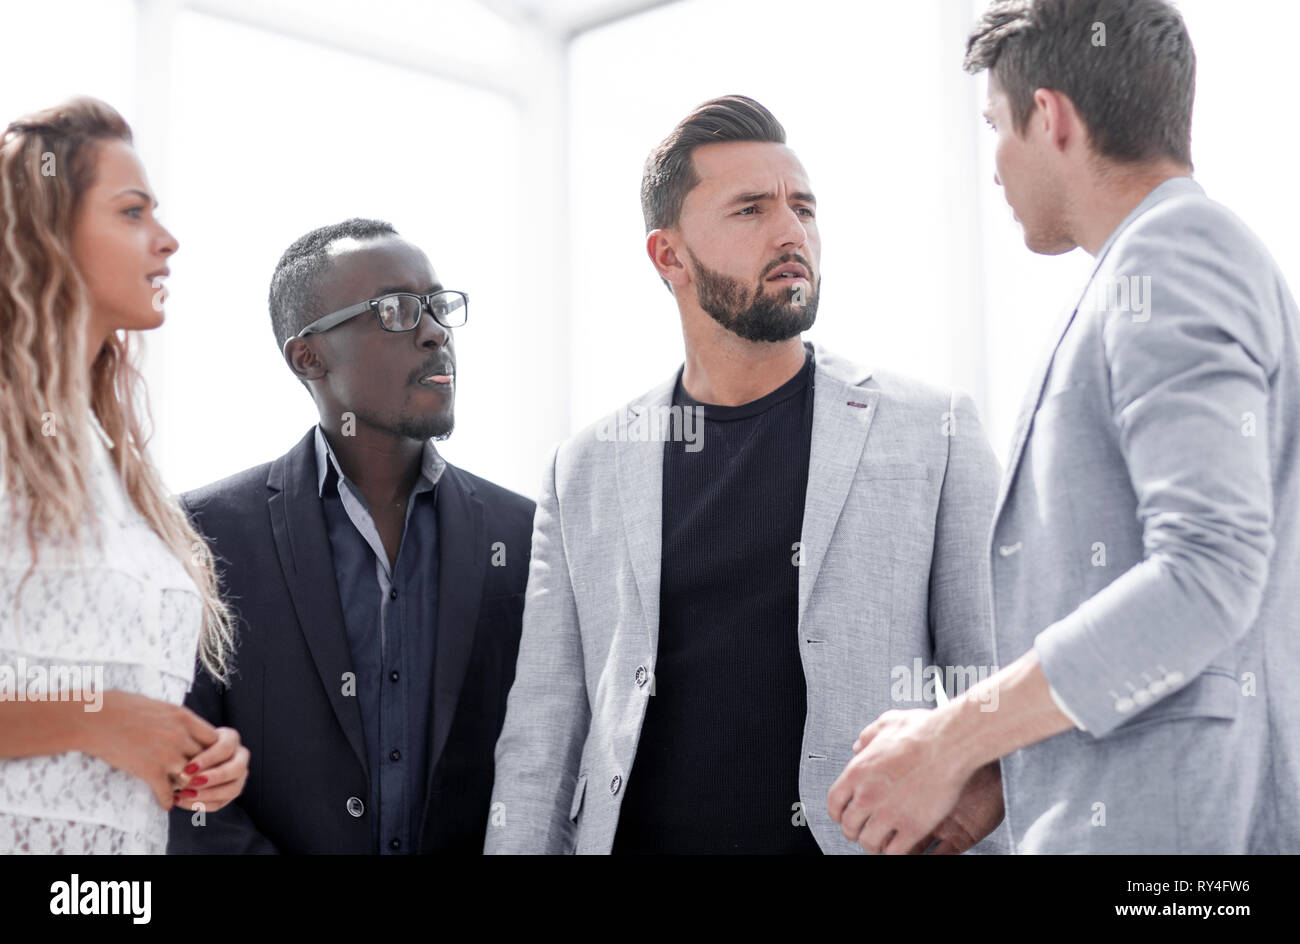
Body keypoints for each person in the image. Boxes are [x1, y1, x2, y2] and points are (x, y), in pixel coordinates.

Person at [829, 0, 1300, 854]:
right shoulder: (1161, 261)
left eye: (995, 130)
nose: (996, 171)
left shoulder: (1175, 254)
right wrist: (1001, 778)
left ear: (1051, 117)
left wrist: (951, 739)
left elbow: (1207, 574)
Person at [487, 95, 1007, 855]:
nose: (792, 232)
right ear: (669, 257)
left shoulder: (934, 432)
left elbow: (990, 697)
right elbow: (541, 736)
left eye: (803, 207)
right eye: (750, 210)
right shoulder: (585, 469)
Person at [167, 218, 535, 854]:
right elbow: (181, 790)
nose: (434, 331)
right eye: (393, 310)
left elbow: (549, 765)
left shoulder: (526, 535)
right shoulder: (201, 536)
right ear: (306, 355)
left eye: (438, 306)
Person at [0, 97, 249, 854]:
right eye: (132, 212)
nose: (167, 241)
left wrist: (196, 757)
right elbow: (100, 718)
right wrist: (98, 718)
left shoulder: (114, 461)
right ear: (46, 231)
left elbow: (128, 717)